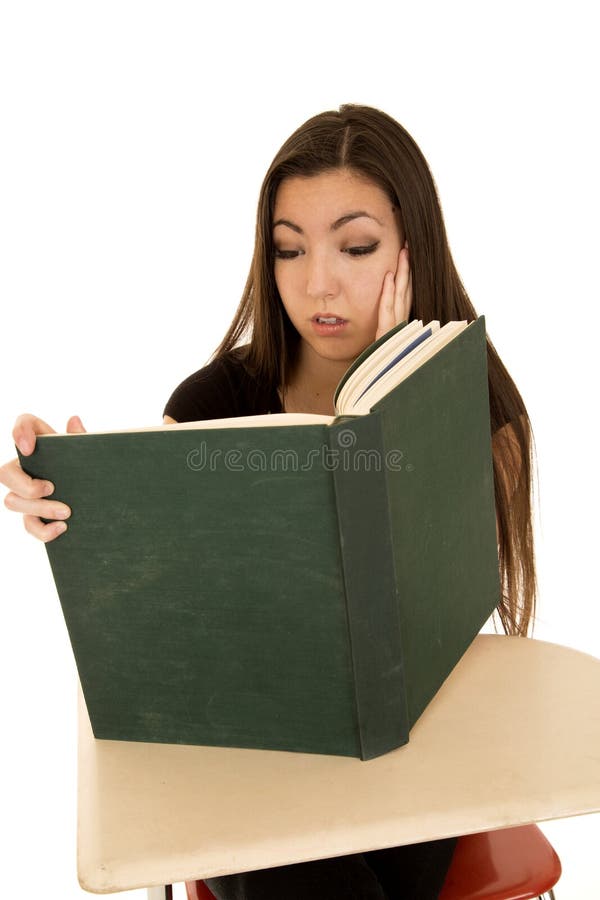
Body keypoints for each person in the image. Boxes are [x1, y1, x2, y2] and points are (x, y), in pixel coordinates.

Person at [0, 104, 536, 899]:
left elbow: (459, 610)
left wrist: (397, 398)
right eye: (288, 250)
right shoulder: (214, 401)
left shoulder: (478, 401)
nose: (316, 283)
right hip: (244, 757)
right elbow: (160, 626)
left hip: (409, 746)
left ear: (411, 250)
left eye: (356, 248)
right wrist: (86, 508)